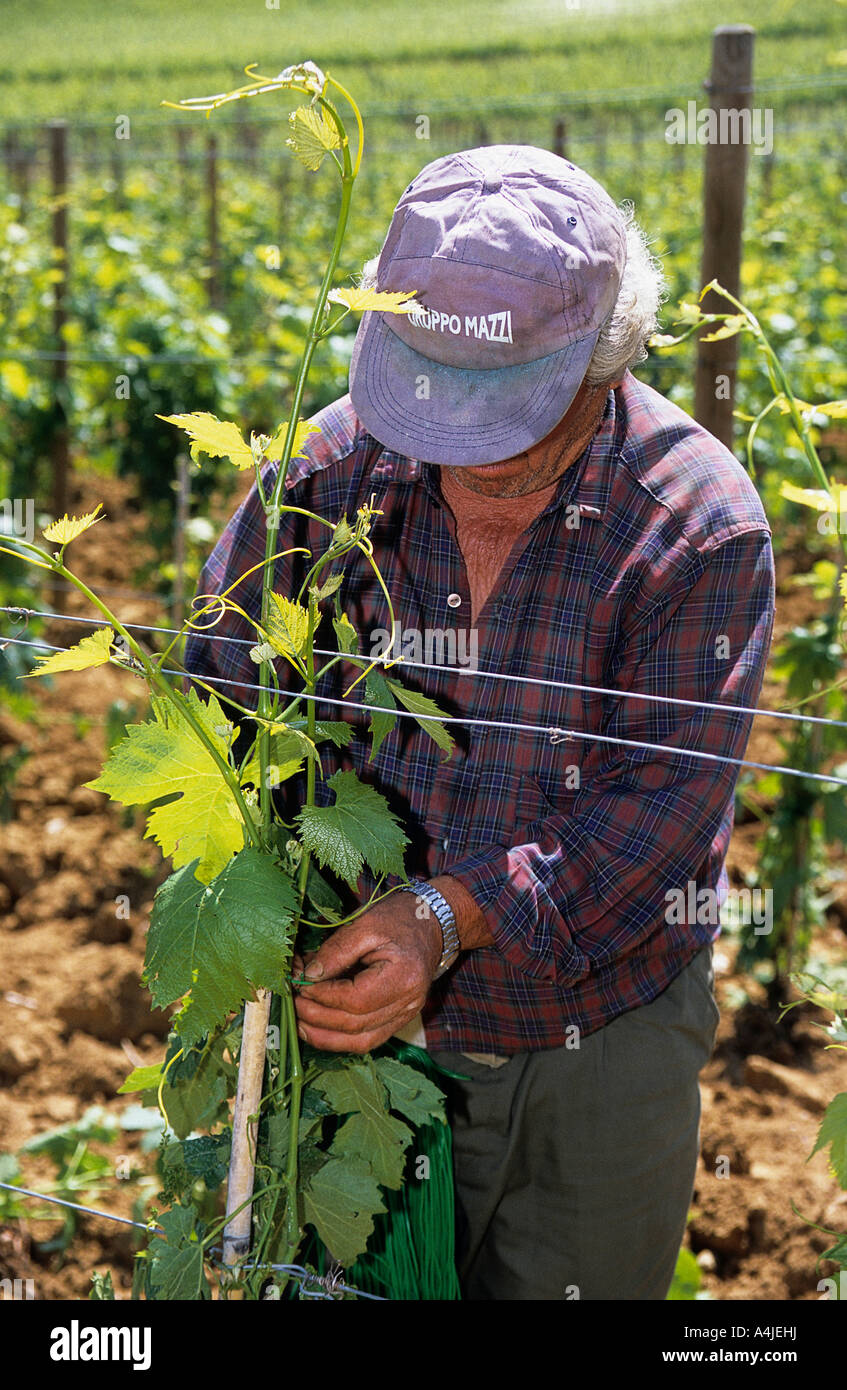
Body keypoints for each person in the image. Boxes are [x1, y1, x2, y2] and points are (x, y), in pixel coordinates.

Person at [185, 145, 775, 1300]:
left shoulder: (696, 527)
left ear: (607, 364)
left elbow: (655, 819)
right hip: (345, 1042)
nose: (459, 457)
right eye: (429, 402)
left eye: (503, 419)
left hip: (590, 1044)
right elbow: (223, 700)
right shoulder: (325, 474)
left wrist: (444, 917)